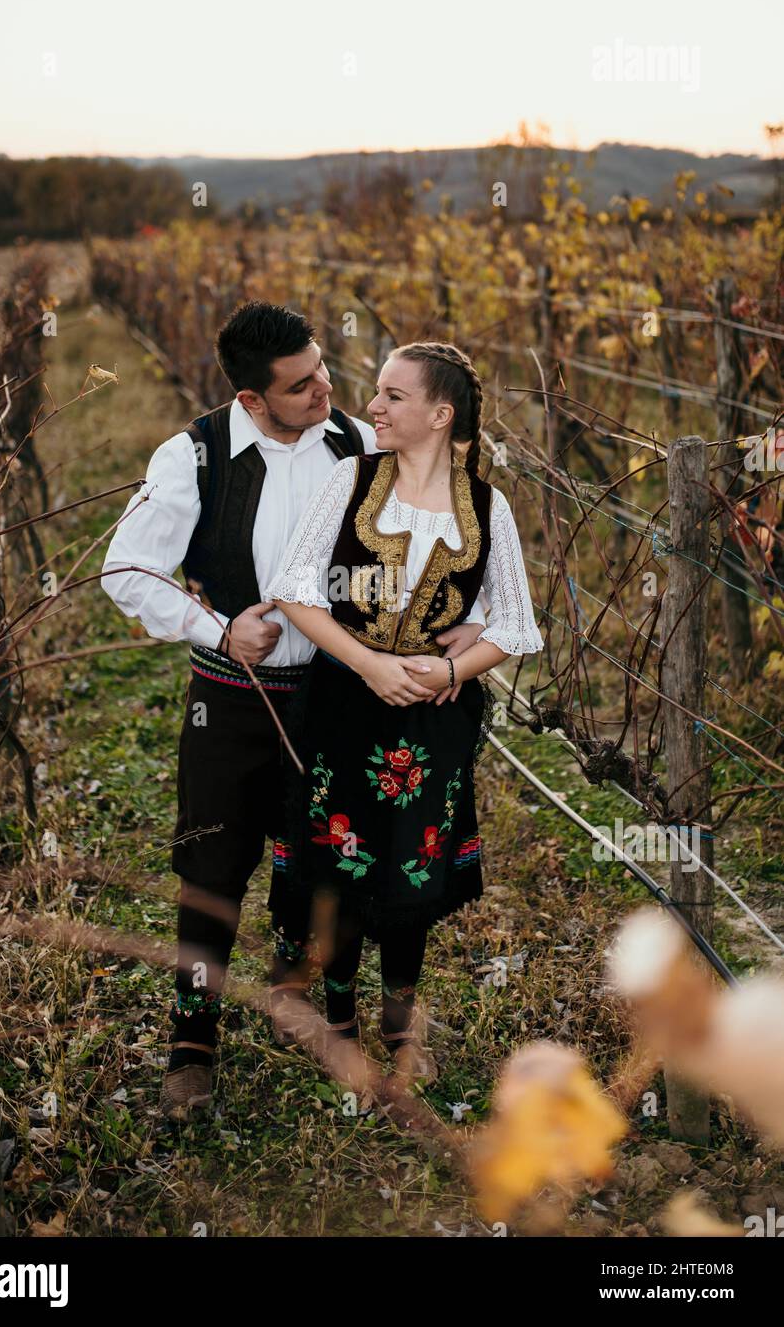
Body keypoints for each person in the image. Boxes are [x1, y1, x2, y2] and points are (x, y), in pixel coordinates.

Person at [99, 303, 483, 1121]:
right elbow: (125, 570)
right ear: (250, 400)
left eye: (322, 370)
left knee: (326, 860)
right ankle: (191, 1043)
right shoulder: (195, 455)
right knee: (211, 870)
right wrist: (216, 624)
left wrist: (450, 625)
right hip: (232, 699)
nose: (326, 391)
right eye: (301, 385)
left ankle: (298, 985)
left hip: (340, 698)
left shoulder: (358, 443)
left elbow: (436, 529)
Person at [267, 340, 544, 1085]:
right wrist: (371, 665)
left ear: (439, 414)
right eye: (378, 395)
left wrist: (453, 666)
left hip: (430, 725)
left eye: (392, 397)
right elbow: (296, 589)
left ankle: (399, 1018)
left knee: (411, 866)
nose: (373, 409)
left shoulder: (488, 508)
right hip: (341, 707)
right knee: (338, 861)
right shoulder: (350, 484)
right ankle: (338, 1020)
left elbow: (517, 624)